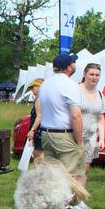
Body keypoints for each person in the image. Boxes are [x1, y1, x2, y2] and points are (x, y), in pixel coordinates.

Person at [38, 52, 85, 181]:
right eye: (73, 63)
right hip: (64, 135)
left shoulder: (45, 84)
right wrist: (79, 142)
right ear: (69, 67)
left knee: (51, 174)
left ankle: (51, 200)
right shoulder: (70, 84)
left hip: (46, 134)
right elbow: (76, 116)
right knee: (73, 174)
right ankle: (74, 201)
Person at [78, 62, 105, 189]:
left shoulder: (100, 95)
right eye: (91, 74)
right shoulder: (75, 90)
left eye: (97, 75)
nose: (94, 77)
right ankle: (67, 199)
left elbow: (101, 118)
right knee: (72, 169)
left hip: (91, 137)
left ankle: (78, 199)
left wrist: (102, 138)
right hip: (74, 136)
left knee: (85, 168)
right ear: (85, 74)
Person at [27, 78, 45, 159]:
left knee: (38, 157)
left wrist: (32, 130)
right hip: (44, 131)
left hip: (38, 132)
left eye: (33, 87)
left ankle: (40, 171)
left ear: (39, 87)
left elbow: (39, 116)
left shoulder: (39, 99)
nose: (32, 89)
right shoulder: (45, 98)